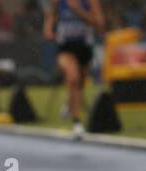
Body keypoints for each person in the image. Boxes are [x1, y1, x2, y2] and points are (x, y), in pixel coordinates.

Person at [44, 0, 102, 135]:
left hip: (84, 48)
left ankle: (69, 102)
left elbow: (99, 24)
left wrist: (78, 11)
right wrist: (48, 29)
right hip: (65, 48)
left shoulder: (90, 2)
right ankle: (77, 122)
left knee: (79, 84)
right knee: (73, 77)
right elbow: (51, 15)